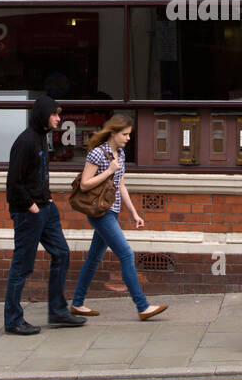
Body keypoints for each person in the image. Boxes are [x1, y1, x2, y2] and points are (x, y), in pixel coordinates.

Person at [69, 114, 168, 321]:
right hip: (99, 213)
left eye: (129, 134)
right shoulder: (97, 154)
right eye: (125, 134)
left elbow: (120, 184)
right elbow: (85, 184)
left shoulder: (120, 154)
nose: (128, 138)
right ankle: (142, 306)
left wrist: (133, 213)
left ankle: (77, 303)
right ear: (113, 133)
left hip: (111, 212)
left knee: (93, 258)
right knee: (126, 254)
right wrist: (109, 171)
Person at [2, 93, 86, 335]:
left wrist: (47, 199)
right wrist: (32, 206)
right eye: (54, 114)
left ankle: (58, 312)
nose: (58, 119)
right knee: (22, 266)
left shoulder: (41, 139)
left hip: (46, 209)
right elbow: (13, 182)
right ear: (42, 115)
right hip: (29, 213)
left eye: (59, 114)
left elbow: (37, 175)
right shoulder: (26, 141)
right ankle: (13, 320)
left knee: (62, 253)